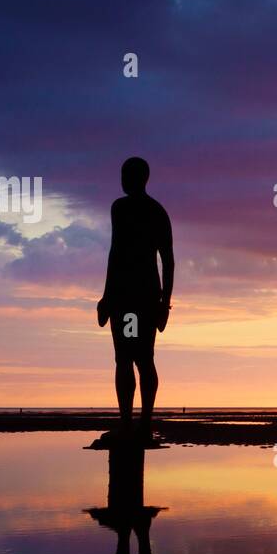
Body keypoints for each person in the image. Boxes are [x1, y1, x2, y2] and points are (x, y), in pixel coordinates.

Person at [97, 157, 174, 442]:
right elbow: (115, 252)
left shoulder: (152, 212)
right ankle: (130, 422)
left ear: (139, 178)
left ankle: (140, 423)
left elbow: (168, 260)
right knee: (129, 359)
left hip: (135, 300)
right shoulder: (124, 209)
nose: (122, 179)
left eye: (126, 175)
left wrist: (165, 303)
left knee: (137, 358)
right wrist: (106, 296)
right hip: (126, 298)